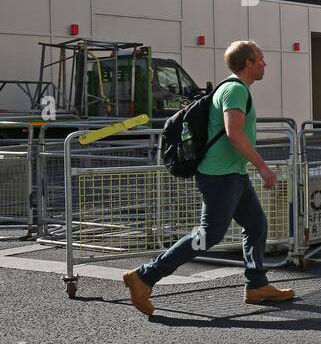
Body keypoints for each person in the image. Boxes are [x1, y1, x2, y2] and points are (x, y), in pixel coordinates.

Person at [123, 40, 296, 317]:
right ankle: (145, 276)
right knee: (209, 234)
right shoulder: (235, 90)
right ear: (248, 62)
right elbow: (234, 133)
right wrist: (263, 167)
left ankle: (256, 284)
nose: (265, 63)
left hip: (233, 174)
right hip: (221, 176)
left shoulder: (233, 88)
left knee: (255, 224)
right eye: (261, 58)